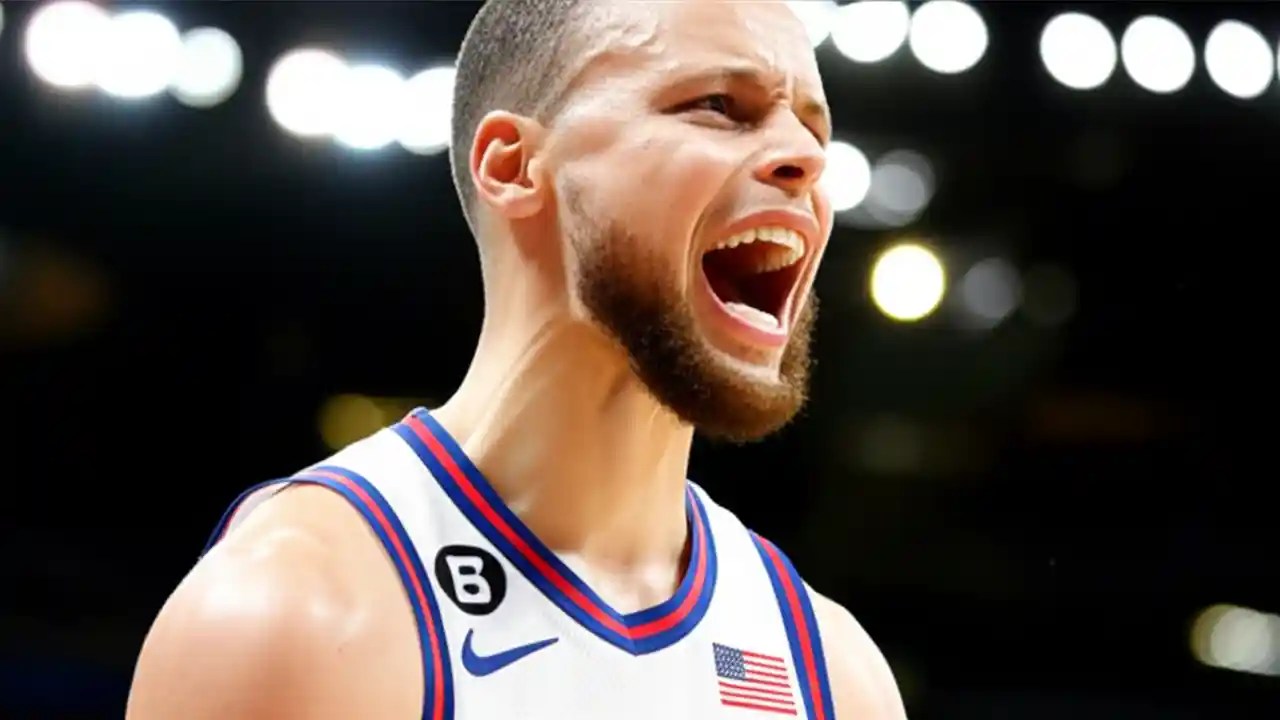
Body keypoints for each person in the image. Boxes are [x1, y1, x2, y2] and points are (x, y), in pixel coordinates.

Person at [126, 0, 908, 718]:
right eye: (718, 106)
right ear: (512, 166)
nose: (803, 159)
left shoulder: (833, 674)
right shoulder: (299, 614)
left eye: (814, 131)